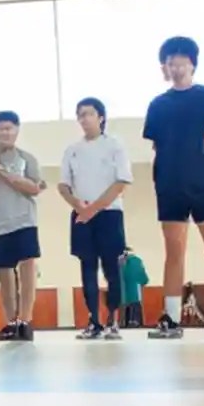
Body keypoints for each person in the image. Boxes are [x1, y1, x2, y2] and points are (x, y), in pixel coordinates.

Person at [142, 36, 204, 340]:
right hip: (170, 186)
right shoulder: (158, 104)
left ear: (192, 63)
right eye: (170, 61)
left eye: (181, 59)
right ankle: (170, 319)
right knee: (174, 252)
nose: (176, 65)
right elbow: (156, 143)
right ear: (164, 67)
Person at [58, 98, 132, 340]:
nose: (84, 119)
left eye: (88, 114)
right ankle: (94, 321)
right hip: (81, 214)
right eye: (80, 115)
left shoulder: (114, 146)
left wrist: (95, 208)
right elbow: (63, 185)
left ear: (100, 117)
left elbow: (121, 182)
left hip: (109, 213)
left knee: (112, 268)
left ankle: (113, 320)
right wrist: (78, 205)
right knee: (87, 267)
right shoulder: (72, 149)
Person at [0, 110, 44, 341]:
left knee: (27, 267)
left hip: (24, 220)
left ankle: (25, 321)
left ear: (17, 130)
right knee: (4, 273)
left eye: (10, 128)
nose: (6, 132)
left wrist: (9, 176)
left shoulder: (27, 158)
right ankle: (10, 323)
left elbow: (36, 188)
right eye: (1, 129)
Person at [120, 247, 149, 328]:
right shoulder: (137, 261)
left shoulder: (119, 262)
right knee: (136, 315)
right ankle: (135, 322)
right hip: (135, 293)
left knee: (125, 317)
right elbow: (144, 278)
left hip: (122, 296)